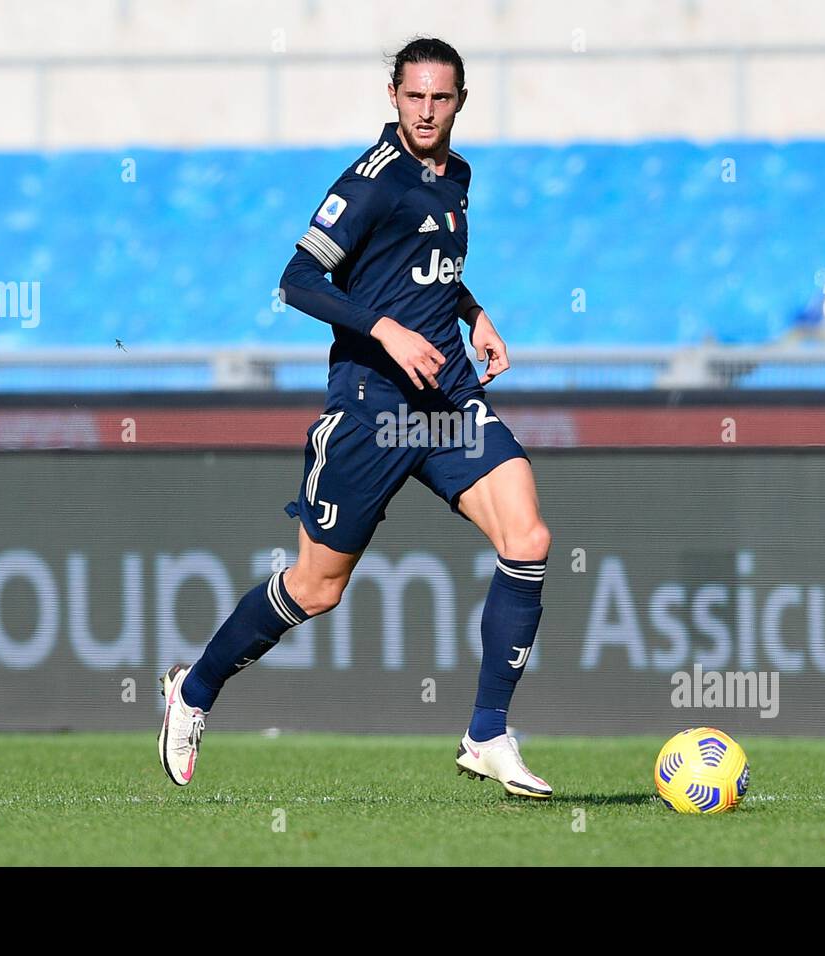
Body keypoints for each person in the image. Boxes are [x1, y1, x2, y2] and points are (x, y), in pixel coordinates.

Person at [159, 37, 553, 798]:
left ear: (461, 101)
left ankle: (487, 733)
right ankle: (195, 689)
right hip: (372, 410)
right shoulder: (371, 181)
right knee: (315, 588)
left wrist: (475, 314)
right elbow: (298, 278)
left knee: (529, 538)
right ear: (394, 97)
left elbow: (423, 270)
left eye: (442, 98)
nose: (428, 111)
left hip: (446, 399)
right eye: (415, 97)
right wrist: (383, 330)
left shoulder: (456, 175)